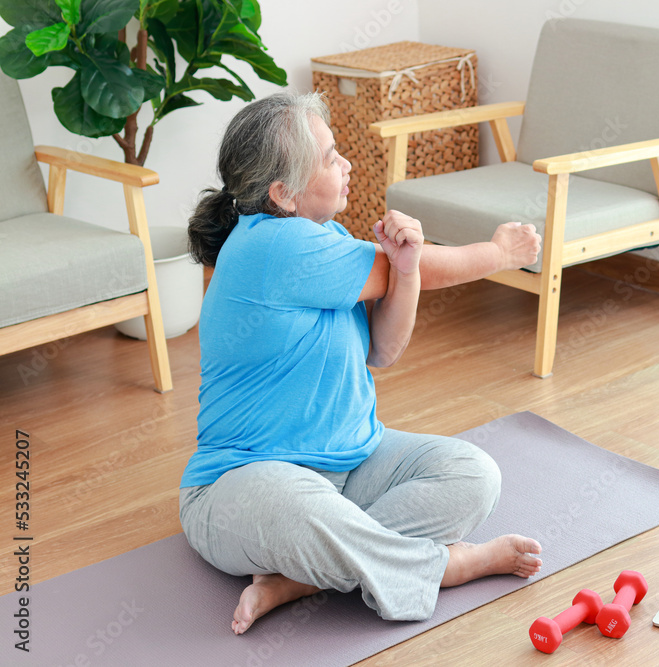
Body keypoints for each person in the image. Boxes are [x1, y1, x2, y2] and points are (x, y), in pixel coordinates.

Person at [179, 92, 544, 635]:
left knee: (473, 474)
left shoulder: (327, 237)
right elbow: (447, 270)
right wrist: (501, 253)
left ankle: (304, 578)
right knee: (296, 507)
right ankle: (446, 566)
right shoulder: (272, 246)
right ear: (283, 193)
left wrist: (408, 265)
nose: (345, 164)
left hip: (348, 469)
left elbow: (383, 351)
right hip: (239, 487)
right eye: (329, 157)